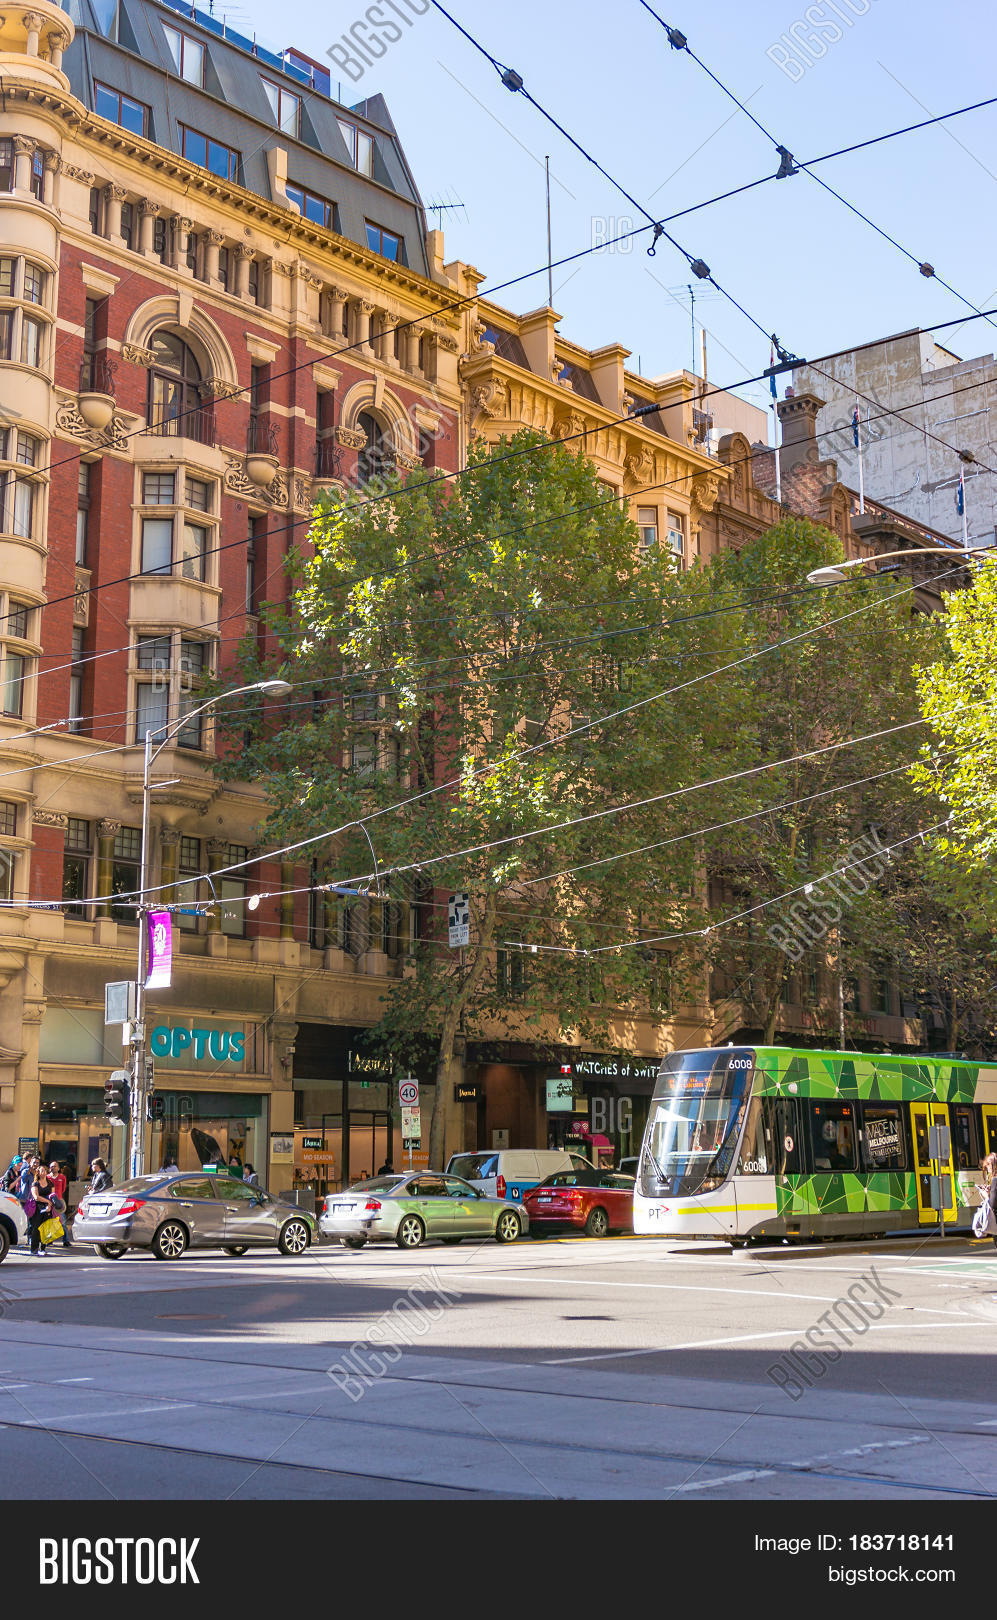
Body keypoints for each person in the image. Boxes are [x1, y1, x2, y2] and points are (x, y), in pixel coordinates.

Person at [28, 1162, 55, 1257]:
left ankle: (43, 1248)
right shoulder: (35, 1183)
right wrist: (47, 1201)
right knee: (36, 1228)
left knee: (46, 1229)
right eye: (41, 1171)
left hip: (48, 1208)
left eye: (45, 1171)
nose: (43, 1172)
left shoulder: (50, 1183)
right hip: (37, 1208)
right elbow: (36, 1196)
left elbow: (53, 1196)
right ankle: (34, 1249)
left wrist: (49, 1205)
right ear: (38, 1173)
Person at [47, 1160, 72, 1249]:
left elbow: (63, 1189)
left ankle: (66, 1240)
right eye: (51, 1166)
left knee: (63, 1221)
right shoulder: (47, 1177)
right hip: (49, 1201)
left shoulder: (62, 1177)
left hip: (59, 1201)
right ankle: (49, 1240)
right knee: (49, 1222)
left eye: (55, 1166)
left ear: (58, 1168)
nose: (53, 1168)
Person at [983, 1153, 997, 1251]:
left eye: (987, 1165)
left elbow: (993, 1203)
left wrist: (986, 1195)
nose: (987, 1168)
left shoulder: (995, 1180)